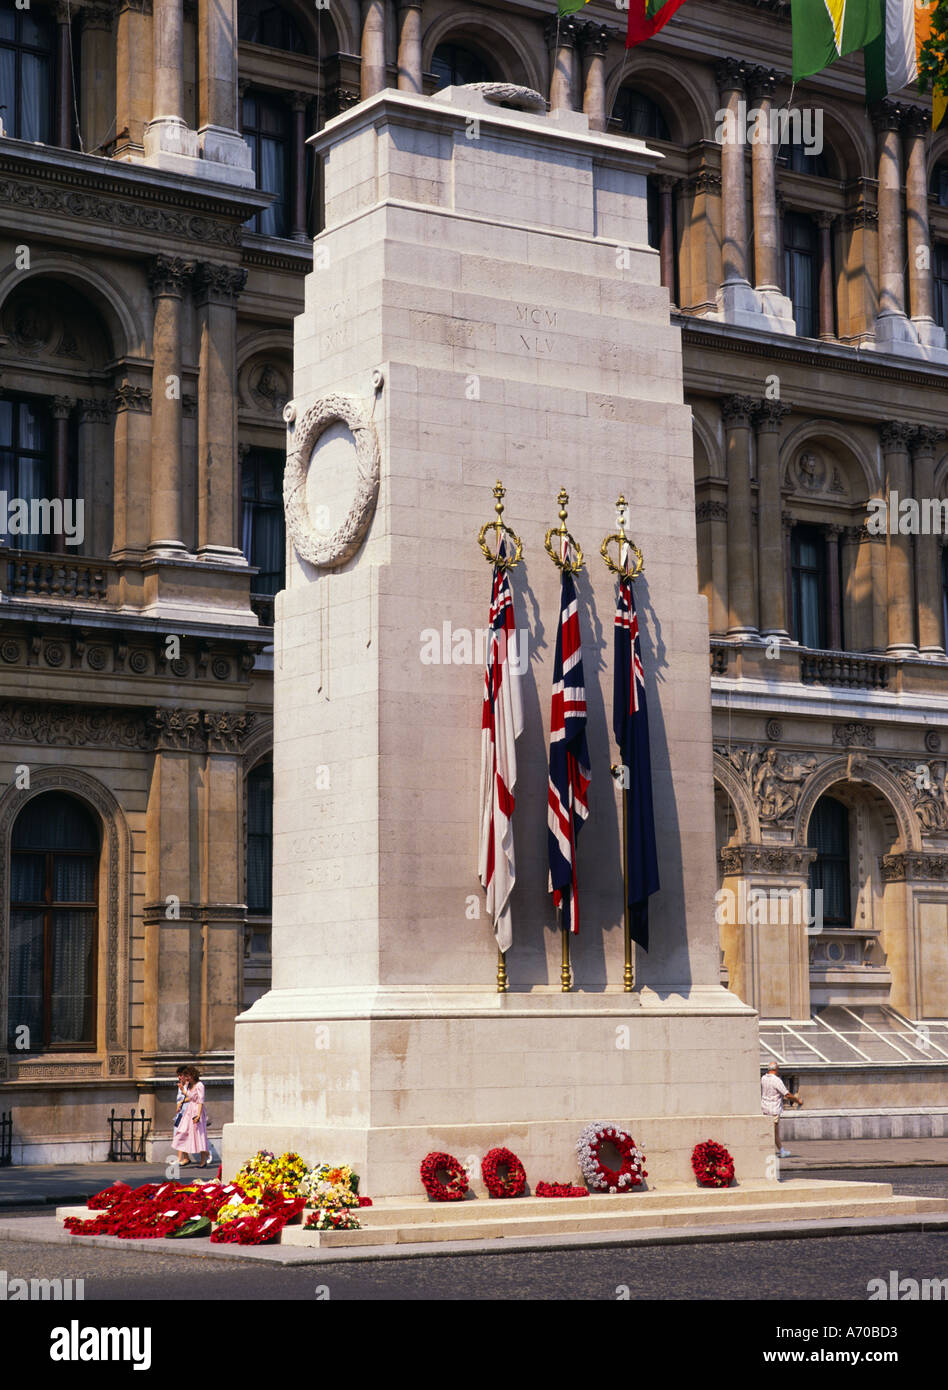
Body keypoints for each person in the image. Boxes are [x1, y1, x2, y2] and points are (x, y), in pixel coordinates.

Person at [172, 1065, 212, 1168]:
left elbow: (200, 1101)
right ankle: (185, 1157)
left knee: (200, 1135)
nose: (186, 1078)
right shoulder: (190, 1086)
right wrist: (182, 1097)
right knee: (182, 1131)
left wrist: (198, 1115)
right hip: (189, 1111)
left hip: (197, 1111)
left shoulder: (199, 1085)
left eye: (187, 1075)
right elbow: (190, 1098)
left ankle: (203, 1160)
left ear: (192, 1075)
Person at [761, 1061, 802, 1157]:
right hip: (773, 1109)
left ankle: (781, 1150)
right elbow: (786, 1094)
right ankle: (774, 1151)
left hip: (764, 1108)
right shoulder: (776, 1080)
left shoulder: (763, 1078)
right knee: (773, 1132)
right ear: (776, 1069)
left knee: (773, 1132)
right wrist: (797, 1100)